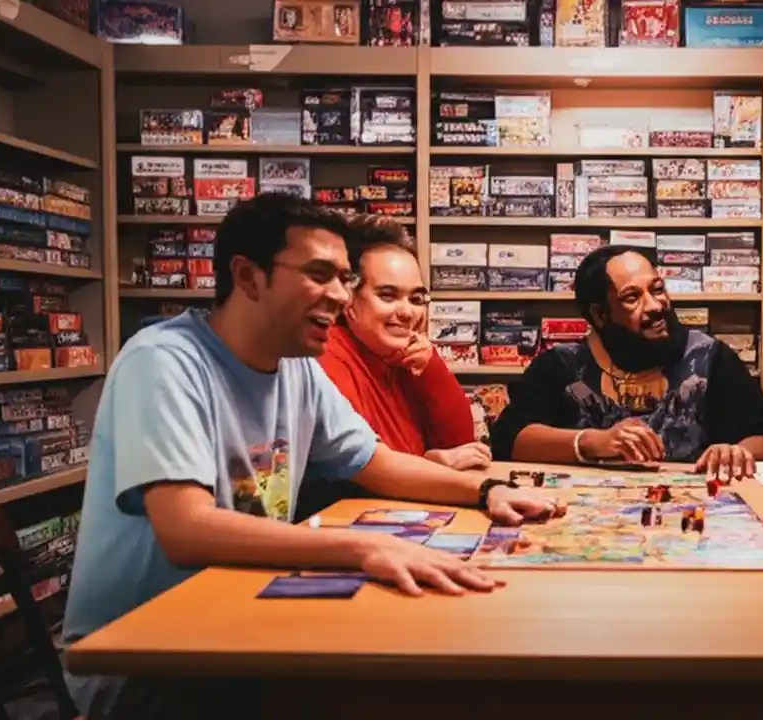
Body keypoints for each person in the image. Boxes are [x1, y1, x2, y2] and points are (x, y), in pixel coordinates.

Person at [62, 194, 564, 719]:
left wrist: (490, 491)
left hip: (244, 621)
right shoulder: (163, 361)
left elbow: (379, 463)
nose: (340, 297)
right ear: (249, 276)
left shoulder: (296, 366)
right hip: (148, 660)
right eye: (320, 274)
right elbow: (186, 529)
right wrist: (362, 550)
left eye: (345, 279)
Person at [490, 245, 763, 479]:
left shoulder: (711, 358)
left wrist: (737, 452)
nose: (655, 306)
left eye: (657, 289)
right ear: (600, 315)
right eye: (632, 298)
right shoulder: (561, 367)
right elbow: (509, 440)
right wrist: (592, 442)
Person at [315, 214, 488, 471]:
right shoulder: (326, 355)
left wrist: (432, 369)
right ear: (347, 298)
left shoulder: (401, 358)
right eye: (388, 296)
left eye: (416, 299)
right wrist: (430, 464)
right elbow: (358, 469)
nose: (407, 312)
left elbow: (462, 447)